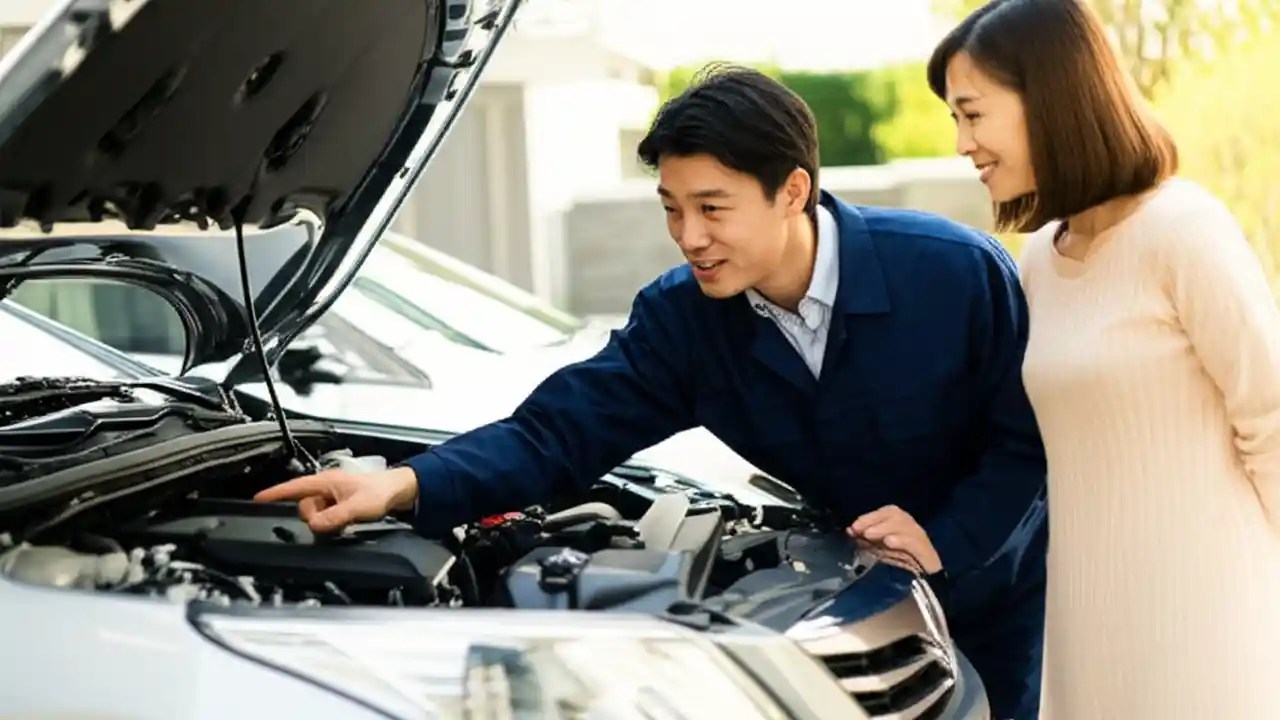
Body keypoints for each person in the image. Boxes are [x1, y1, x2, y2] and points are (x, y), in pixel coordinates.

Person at [255, 63, 1049, 719]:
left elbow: (1030, 440)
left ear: (793, 192)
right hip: (844, 611)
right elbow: (558, 432)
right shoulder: (685, 318)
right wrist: (403, 483)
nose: (689, 237)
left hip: (990, 596)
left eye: (712, 208)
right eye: (672, 209)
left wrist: (950, 540)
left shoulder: (953, 272)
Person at [929, 1, 1280, 718]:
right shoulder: (1039, 260)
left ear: (1049, 98)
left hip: (1206, 625)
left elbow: (1272, 419)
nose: (963, 143)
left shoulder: (1184, 231)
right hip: (1087, 622)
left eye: (973, 113)